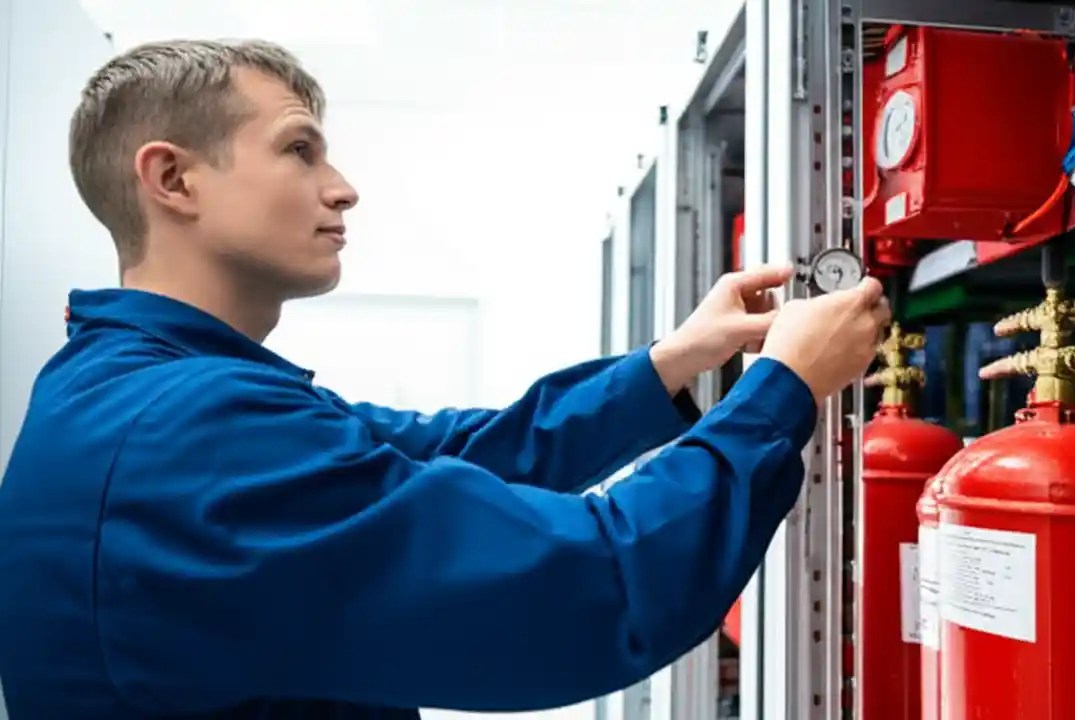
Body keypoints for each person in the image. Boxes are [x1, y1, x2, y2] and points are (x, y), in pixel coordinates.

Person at [0, 39, 890, 719]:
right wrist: (781, 388)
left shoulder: (132, 390)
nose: (342, 187)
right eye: (300, 150)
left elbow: (462, 453)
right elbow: (592, 584)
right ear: (172, 179)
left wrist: (674, 362)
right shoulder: (188, 433)